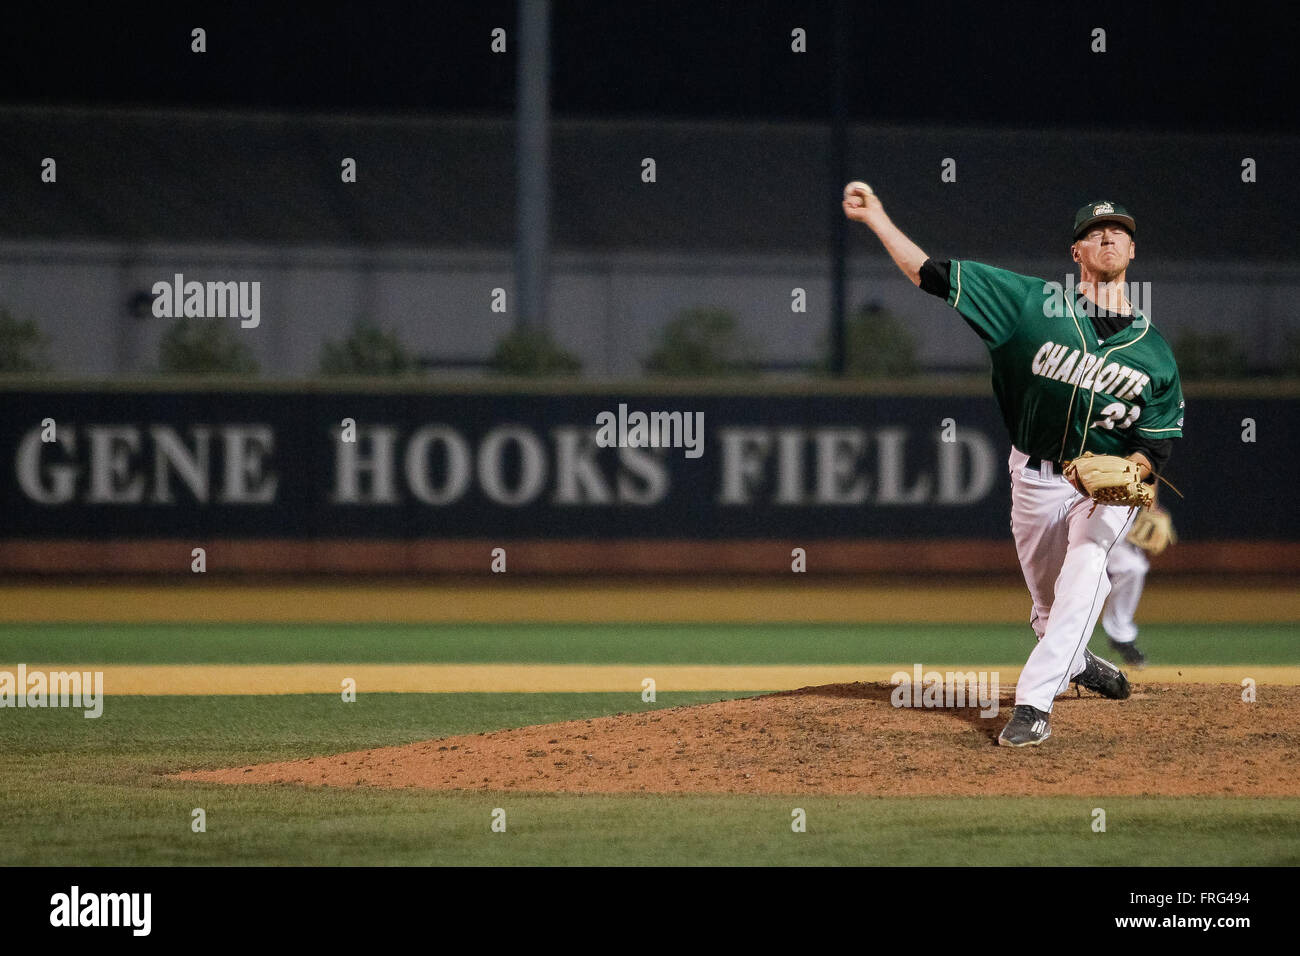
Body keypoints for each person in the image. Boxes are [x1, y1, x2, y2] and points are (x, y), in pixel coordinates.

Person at [843, 190, 1184, 746]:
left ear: (1132, 249)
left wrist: (1136, 469)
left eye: (1118, 231)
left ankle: (1033, 705)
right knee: (1051, 613)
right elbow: (930, 275)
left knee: (1089, 567)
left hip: (1103, 492)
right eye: (1095, 232)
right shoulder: (1027, 305)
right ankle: (1076, 661)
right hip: (1033, 475)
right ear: (1076, 252)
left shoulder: (1155, 354)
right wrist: (878, 217)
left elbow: (1157, 440)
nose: (1107, 237)